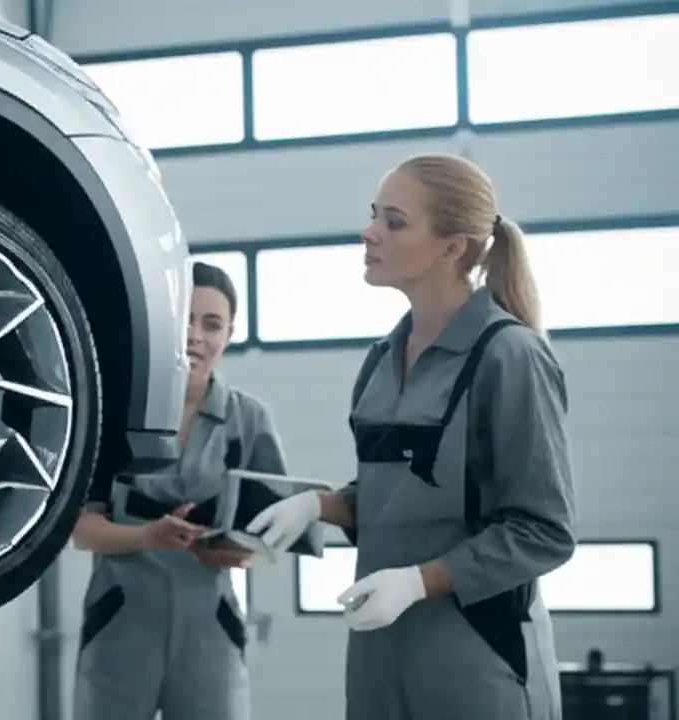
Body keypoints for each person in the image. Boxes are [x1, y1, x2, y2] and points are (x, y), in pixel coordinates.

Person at [248, 152, 577, 720]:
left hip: (477, 658)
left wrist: (420, 583)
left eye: (394, 222)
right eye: (374, 214)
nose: (369, 232)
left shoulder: (509, 356)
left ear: (452, 248)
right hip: (379, 657)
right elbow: (398, 497)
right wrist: (319, 505)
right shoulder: (381, 361)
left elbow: (543, 531)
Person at [70, 261, 288, 720]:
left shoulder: (249, 421)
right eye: (185, 321)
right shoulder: (113, 415)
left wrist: (236, 551)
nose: (195, 337)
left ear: (229, 334)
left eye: (212, 324)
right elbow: (83, 531)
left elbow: (271, 532)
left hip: (210, 626)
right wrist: (148, 536)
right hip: (121, 620)